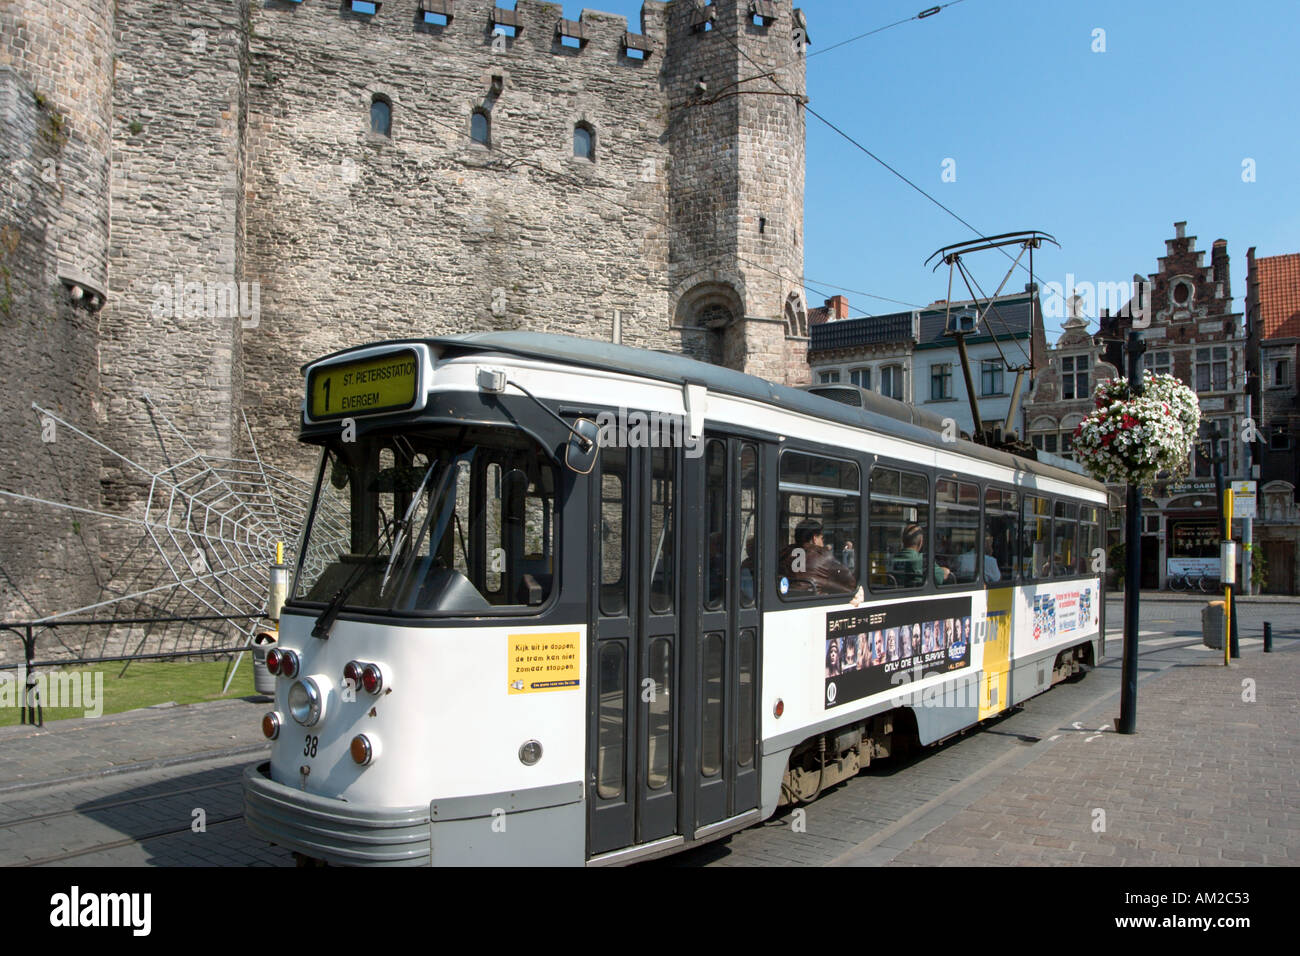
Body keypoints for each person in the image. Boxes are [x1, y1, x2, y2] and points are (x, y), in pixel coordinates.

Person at [779, 519, 857, 595]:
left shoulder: (784, 553)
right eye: (822, 538)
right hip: (815, 602)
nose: (823, 543)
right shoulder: (823, 556)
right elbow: (851, 583)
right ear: (814, 538)